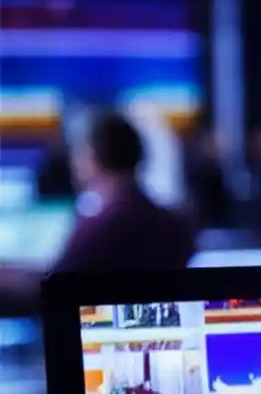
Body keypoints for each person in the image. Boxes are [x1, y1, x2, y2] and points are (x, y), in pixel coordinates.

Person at [56, 111, 197, 273]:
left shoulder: (97, 230)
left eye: (78, 152)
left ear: (91, 158)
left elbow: (58, 287)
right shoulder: (176, 225)